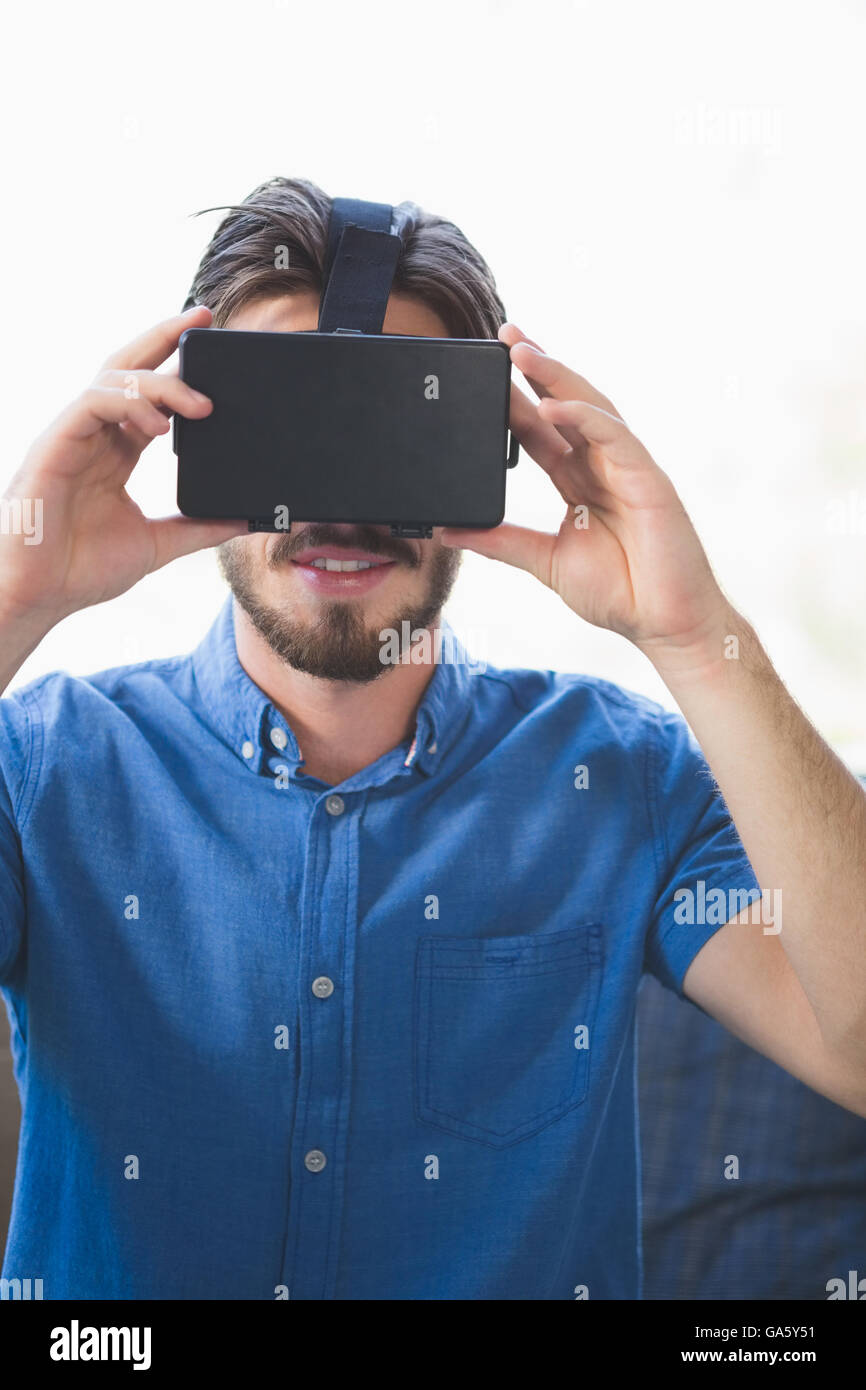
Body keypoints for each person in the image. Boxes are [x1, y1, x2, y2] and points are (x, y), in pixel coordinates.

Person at [0, 176, 864, 1301]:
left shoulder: (624, 778)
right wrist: (14, 597)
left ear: (490, 446)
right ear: (180, 436)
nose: (337, 507)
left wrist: (695, 636)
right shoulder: (41, 771)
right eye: (285, 427)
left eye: (396, 424)